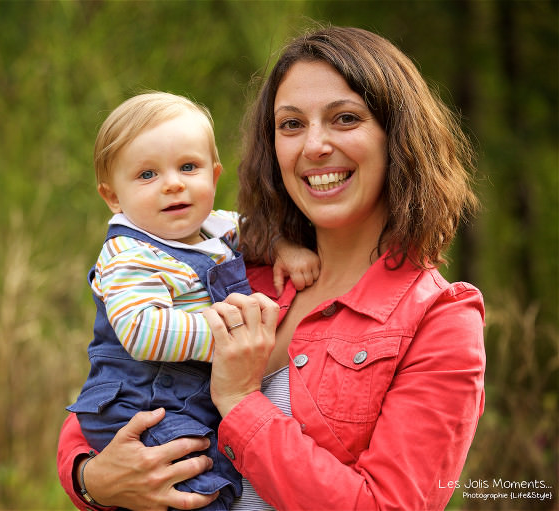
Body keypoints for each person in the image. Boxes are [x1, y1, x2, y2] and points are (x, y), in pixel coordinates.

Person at [58, 26, 485, 511]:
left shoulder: (439, 319)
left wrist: (241, 400)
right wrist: (92, 480)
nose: (315, 146)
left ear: (399, 137)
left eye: (345, 118)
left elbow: (387, 505)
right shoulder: (237, 269)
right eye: (291, 124)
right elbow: (97, 410)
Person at [66, 91, 321, 510]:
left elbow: (252, 233)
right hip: (144, 405)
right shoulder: (130, 255)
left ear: (215, 175)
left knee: (216, 474)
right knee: (195, 491)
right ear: (113, 197)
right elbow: (143, 332)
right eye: (147, 175)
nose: (173, 183)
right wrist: (230, 335)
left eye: (189, 167)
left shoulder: (214, 228)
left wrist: (284, 248)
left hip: (188, 402)